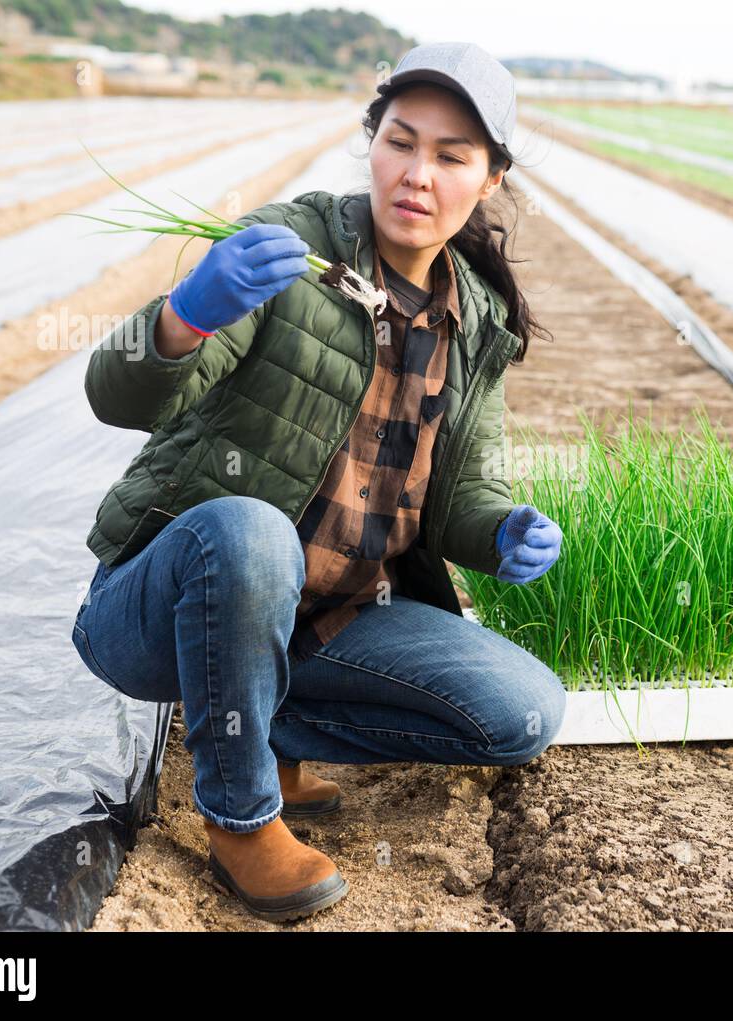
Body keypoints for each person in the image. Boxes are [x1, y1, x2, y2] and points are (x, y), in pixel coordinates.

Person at [71, 42, 566, 922]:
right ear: (370, 141)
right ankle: (241, 815)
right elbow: (114, 394)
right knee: (250, 530)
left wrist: (503, 531)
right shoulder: (289, 250)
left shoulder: (476, 320)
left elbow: (460, 498)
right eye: (401, 142)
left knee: (523, 712)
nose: (418, 174)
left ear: (490, 180)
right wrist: (186, 314)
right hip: (158, 607)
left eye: (452, 157)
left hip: (327, 621)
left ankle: (266, 722)